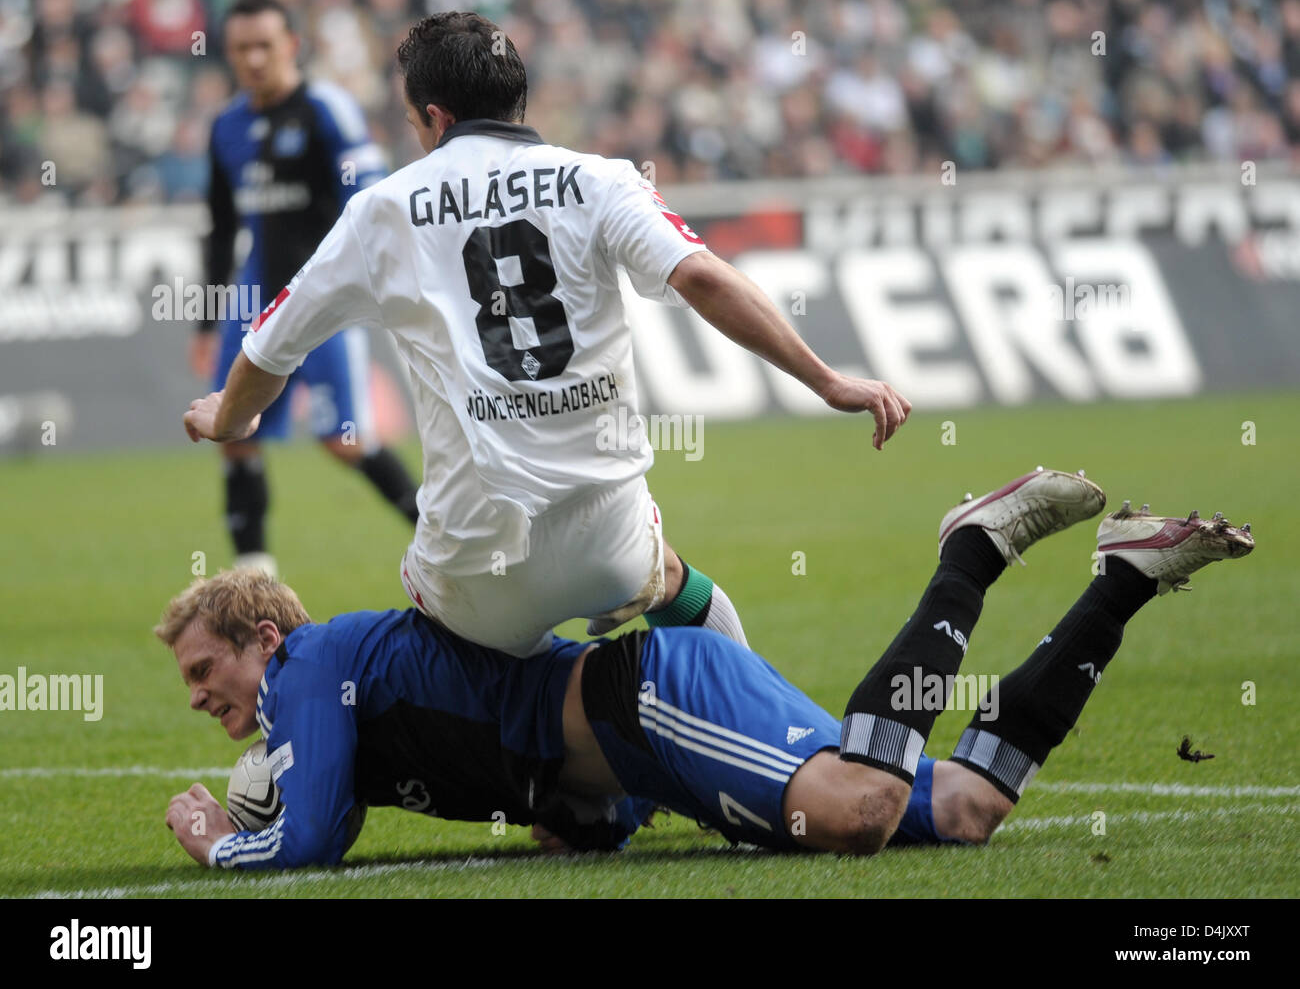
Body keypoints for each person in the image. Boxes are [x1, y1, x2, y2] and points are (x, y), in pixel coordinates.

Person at [181, 11, 912, 657]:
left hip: (473, 574)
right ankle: (771, 741)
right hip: (612, 547)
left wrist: (229, 414)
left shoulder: (383, 211)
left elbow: (268, 344)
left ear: (432, 116)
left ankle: (572, 758)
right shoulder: (601, 180)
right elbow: (706, 278)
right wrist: (829, 380)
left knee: (447, 644)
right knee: (676, 581)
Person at [159, 467, 1254, 868]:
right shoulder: (347, 717)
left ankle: (972, 547)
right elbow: (363, 803)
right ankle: (1124, 580)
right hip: (651, 752)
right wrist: (584, 818)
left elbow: (307, 841)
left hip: (659, 698)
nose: (202, 693)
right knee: (962, 808)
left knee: (863, 803)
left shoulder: (309, 662)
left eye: (207, 665)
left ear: (264, 636)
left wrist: (219, 839)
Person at [193, 0, 421, 576]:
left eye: (265, 46)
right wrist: (206, 319)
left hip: (325, 306)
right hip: (250, 305)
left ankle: (442, 541)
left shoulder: (327, 110)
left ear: (292, 45)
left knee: (344, 441)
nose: (254, 60)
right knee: (232, 433)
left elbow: (372, 204)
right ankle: (254, 575)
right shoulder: (226, 128)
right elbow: (220, 228)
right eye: (242, 49)